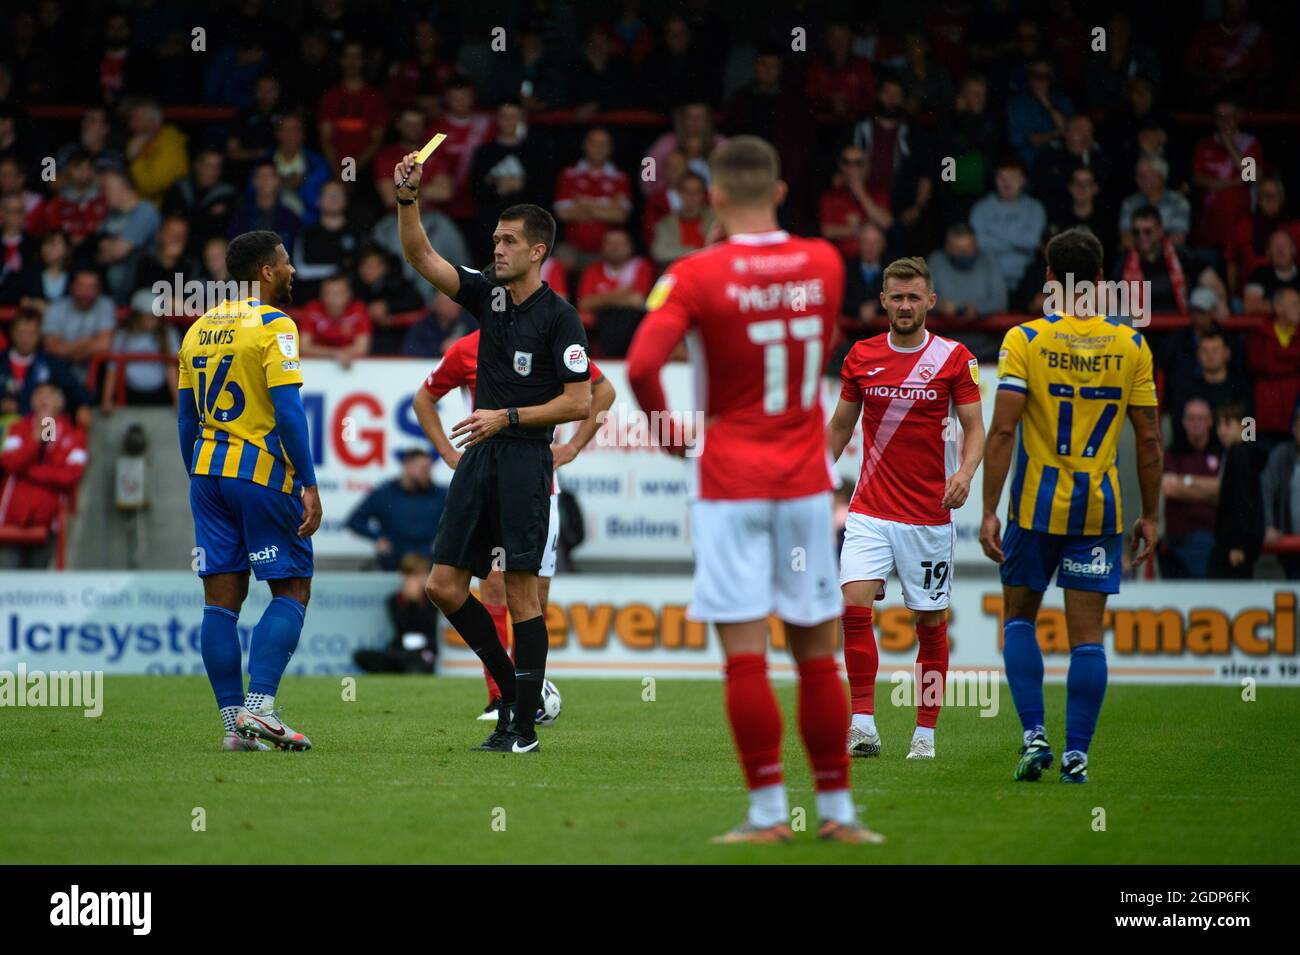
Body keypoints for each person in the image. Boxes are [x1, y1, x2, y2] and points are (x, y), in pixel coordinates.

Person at [627, 136, 881, 845]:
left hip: (730, 482)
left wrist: (669, 434)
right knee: (816, 654)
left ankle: (769, 815)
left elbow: (645, 364)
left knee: (746, 655)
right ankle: (839, 813)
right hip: (804, 482)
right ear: (778, 192)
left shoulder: (696, 274)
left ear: (712, 197)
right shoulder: (825, 262)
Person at [395, 149, 592, 756]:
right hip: (480, 458)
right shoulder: (490, 298)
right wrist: (408, 200)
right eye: (495, 238)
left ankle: (523, 730)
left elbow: (580, 403)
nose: (497, 248)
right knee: (443, 586)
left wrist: (506, 415)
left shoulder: (561, 319)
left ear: (538, 251)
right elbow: (421, 256)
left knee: (522, 595)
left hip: (525, 460)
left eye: (508, 241)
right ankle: (514, 694)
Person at [980, 228, 1162, 784]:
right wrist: (1149, 513)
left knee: (1018, 620)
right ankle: (1077, 754)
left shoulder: (1024, 340)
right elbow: (1149, 439)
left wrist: (989, 510)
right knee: (1088, 638)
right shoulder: (1131, 346)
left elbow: (1003, 430)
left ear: (1051, 280)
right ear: (1103, 280)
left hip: (1035, 510)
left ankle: (1034, 735)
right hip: (1099, 512)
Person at [826, 256, 985, 761]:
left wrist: (964, 474)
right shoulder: (860, 357)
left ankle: (925, 733)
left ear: (930, 301)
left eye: (914, 297)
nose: (904, 305)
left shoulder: (954, 358)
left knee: (931, 625)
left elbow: (975, 429)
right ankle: (863, 724)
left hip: (928, 516)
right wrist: (809, 479)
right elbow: (839, 428)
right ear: (883, 301)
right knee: (853, 606)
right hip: (870, 508)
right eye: (896, 297)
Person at [414, 329, 615, 718]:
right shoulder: (467, 348)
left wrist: (573, 446)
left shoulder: (548, 338)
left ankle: (526, 694)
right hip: (488, 486)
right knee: (491, 587)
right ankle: (499, 696)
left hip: (540, 488)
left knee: (534, 597)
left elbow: (603, 392)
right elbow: (424, 398)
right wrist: (447, 453)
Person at [178, 230, 321, 752]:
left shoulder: (197, 329)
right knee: (291, 588)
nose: (292, 271)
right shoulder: (274, 324)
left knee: (220, 603)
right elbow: (288, 411)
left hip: (207, 475)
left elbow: (185, 421)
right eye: (285, 263)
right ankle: (260, 708)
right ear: (265, 272)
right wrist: (308, 483)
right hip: (260, 475)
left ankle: (232, 729)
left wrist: (199, 478)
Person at [0, 383, 88, 569]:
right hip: (12, 518)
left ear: (60, 402)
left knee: (36, 585)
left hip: (47, 521)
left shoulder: (74, 435)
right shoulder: (18, 429)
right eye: (39, 394)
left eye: (50, 394)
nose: (44, 399)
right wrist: (35, 440)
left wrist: (28, 471)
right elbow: (9, 462)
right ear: (32, 401)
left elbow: (70, 476)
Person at [344, 446, 446, 569]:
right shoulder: (384, 494)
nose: (428, 474)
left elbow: (458, 524)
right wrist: (378, 538)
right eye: (424, 470)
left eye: (429, 470)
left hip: (430, 562)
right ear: (407, 466)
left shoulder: (441, 494)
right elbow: (355, 521)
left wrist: (443, 542)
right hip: (394, 561)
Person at [1159, 398, 1221, 579]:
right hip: (1178, 538)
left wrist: (1186, 483)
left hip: (1213, 536)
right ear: (1184, 422)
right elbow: (1169, 488)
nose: (1196, 423)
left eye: (1201, 418)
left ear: (1210, 421)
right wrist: (1211, 491)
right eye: (1191, 418)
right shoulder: (1173, 453)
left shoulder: (1221, 451)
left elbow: (1226, 489)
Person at [353, 554, 441, 674]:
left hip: (423, 651)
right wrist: (410, 602)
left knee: (418, 661)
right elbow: (402, 627)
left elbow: (426, 627)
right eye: (410, 575)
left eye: (417, 575)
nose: (413, 580)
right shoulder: (394, 600)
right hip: (399, 651)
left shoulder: (432, 601)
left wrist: (415, 602)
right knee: (362, 656)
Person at [1208, 402, 1264, 579]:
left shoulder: (1239, 454)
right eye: (1218, 424)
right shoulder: (1239, 453)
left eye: (1227, 424)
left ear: (1243, 425)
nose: (1221, 430)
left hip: (1234, 548)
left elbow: (1242, 501)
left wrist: (1238, 544)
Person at [101, 288, 180, 410]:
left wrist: (178, 401)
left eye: (156, 316)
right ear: (136, 315)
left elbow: (172, 369)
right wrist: (107, 400)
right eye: (148, 316)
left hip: (160, 394)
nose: (153, 321)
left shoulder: (168, 334)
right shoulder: (122, 335)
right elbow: (113, 370)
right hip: (129, 394)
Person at [1261, 405, 1300, 579]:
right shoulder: (1282, 455)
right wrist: (1268, 525)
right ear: (1294, 429)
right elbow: (1266, 489)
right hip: (1290, 547)